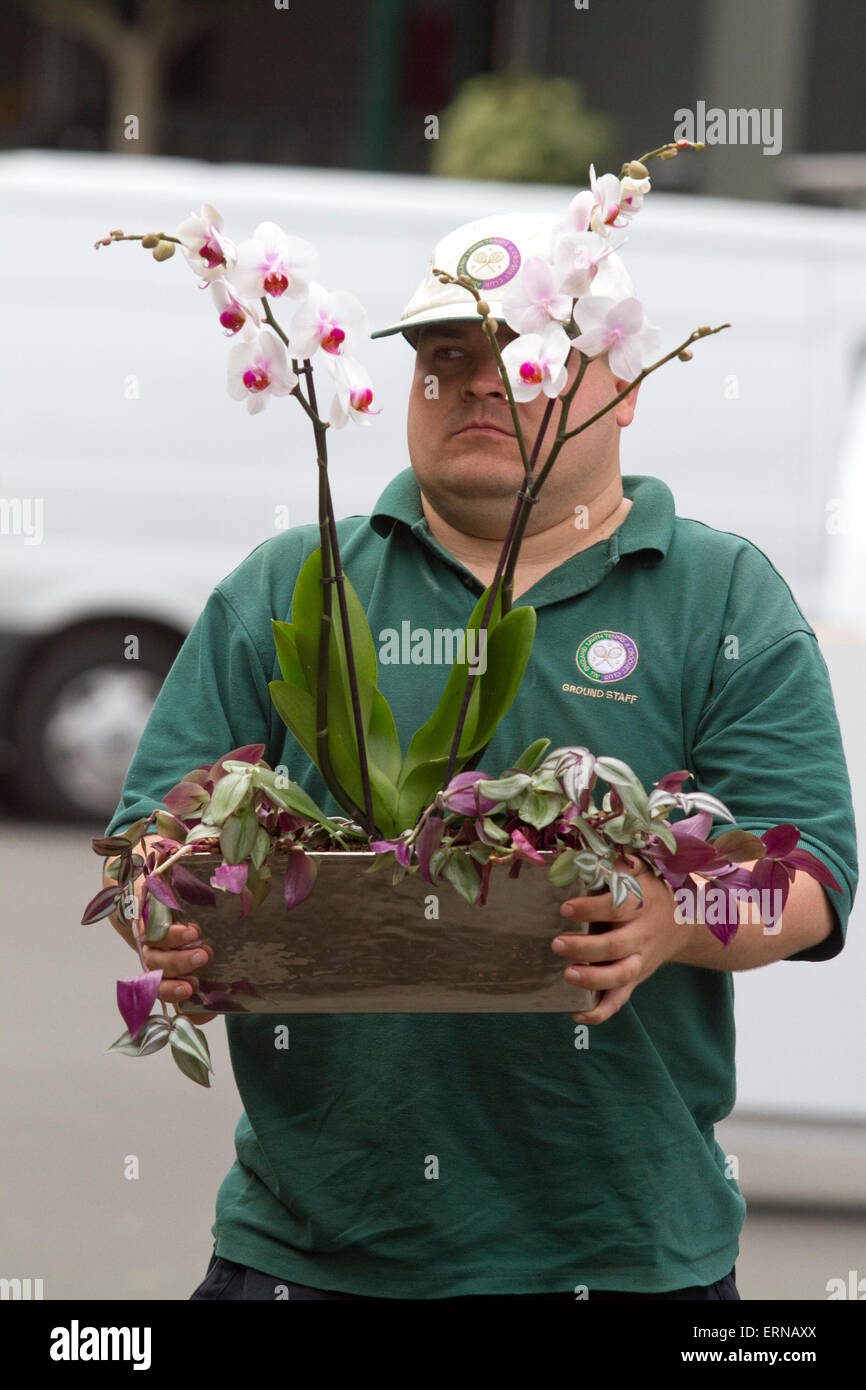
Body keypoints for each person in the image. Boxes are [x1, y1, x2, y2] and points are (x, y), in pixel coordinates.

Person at [104, 213, 857, 1301]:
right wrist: (169, 915)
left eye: (524, 355)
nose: (480, 385)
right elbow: (149, 839)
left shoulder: (720, 597)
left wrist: (668, 914)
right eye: (444, 359)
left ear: (626, 384)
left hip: (623, 1257)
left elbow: (808, 878)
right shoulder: (291, 586)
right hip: (308, 1252)